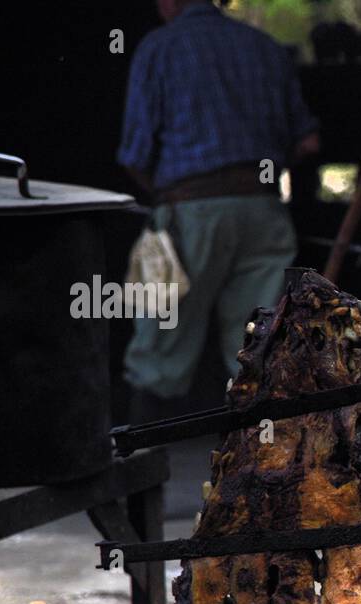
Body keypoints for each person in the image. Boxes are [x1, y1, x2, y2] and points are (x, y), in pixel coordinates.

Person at [117, 0, 321, 423]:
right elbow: (307, 144)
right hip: (263, 213)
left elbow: (134, 155)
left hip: (189, 213)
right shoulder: (264, 46)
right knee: (259, 352)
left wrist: (173, 196)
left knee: (158, 349)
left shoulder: (158, 48)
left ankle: (144, 475)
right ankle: (267, 475)